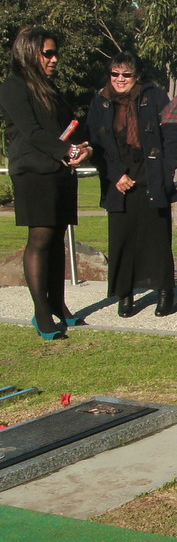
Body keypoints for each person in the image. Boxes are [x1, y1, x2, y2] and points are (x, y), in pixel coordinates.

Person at [0, 27, 92, 339]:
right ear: (29, 53)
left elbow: (70, 128)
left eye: (55, 53)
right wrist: (67, 149)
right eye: (47, 53)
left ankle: (57, 304)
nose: (54, 59)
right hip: (33, 171)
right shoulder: (14, 86)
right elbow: (32, 132)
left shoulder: (51, 88)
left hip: (60, 171)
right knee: (40, 238)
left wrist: (83, 148)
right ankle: (41, 313)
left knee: (56, 240)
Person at [86, 52, 177, 318]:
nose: (119, 79)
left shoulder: (155, 96)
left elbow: (173, 135)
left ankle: (165, 290)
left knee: (157, 238)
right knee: (122, 239)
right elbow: (95, 143)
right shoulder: (100, 102)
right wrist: (115, 174)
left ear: (137, 75)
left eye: (126, 74)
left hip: (151, 173)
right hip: (118, 177)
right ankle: (125, 294)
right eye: (115, 74)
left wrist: (165, 174)